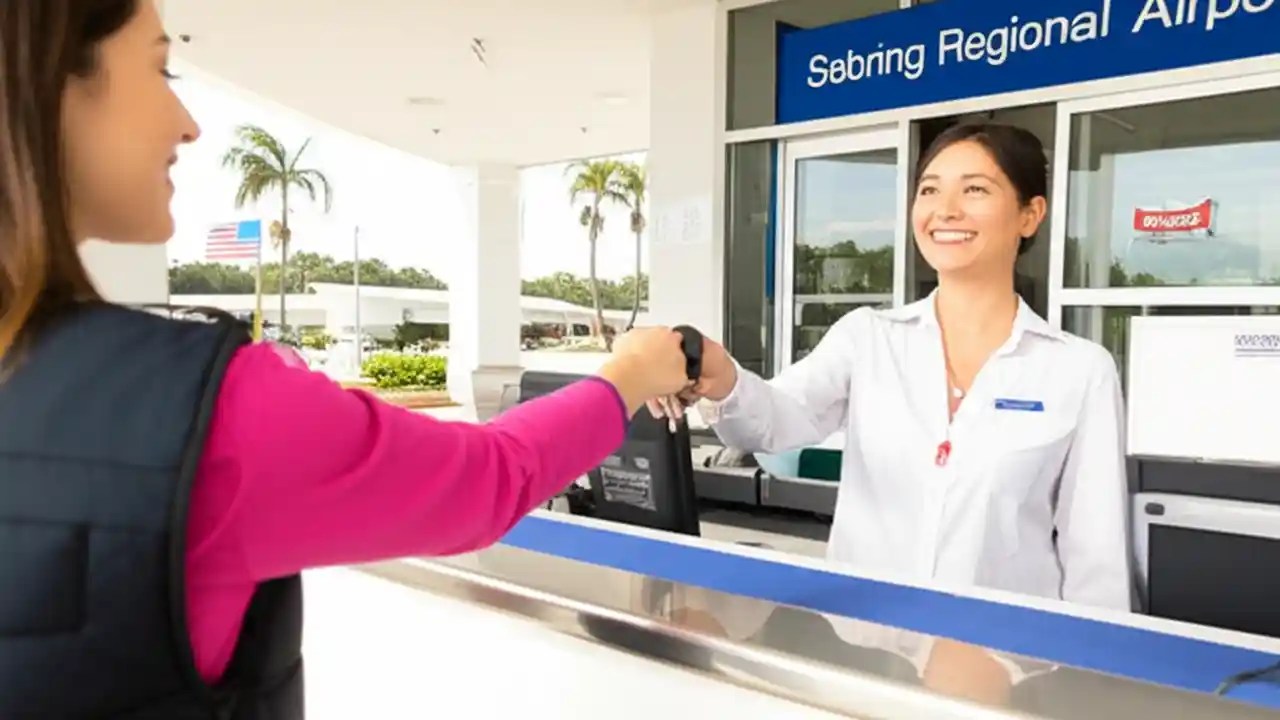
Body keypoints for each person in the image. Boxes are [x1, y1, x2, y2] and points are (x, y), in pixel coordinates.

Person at [0, 1, 692, 717]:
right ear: (53, 82)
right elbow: (488, 479)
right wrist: (631, 374)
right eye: (160, 69)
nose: (188, 123)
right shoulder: (206, 407)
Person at [655, 122, 1133, 614]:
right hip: (868, 640)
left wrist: (1090, 659)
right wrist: (718, 374)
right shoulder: (868, 338)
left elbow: (1097, 561)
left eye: (975, 189)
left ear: (1030, 215)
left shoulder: (1079, 370)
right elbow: (774, 420)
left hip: (1003, 651)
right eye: (930, 190)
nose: (945, 209)